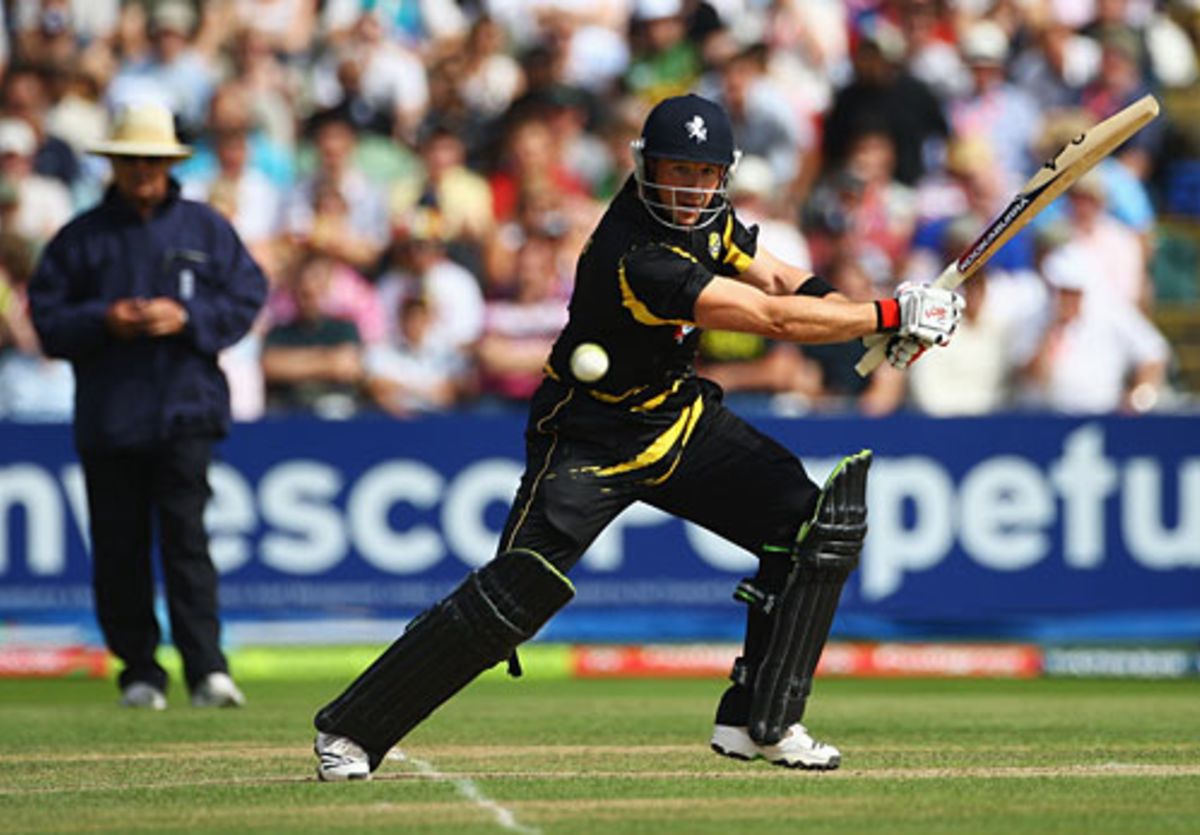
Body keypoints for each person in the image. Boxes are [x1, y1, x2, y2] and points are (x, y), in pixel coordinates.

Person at [310, 94, 963, 780]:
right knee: (513, 596)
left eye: (705, 174)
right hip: (588, 439)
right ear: (646, 167)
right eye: (677, 171)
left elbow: (778, 275)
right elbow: (770, 315)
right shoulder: (639, 255)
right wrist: (887, 314)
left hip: (677, 419)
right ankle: (351, 730)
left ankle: (759, 720)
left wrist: (878, 318)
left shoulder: (709, 215)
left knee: (810, 525)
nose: (690, 189)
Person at [27, 102, 268, 710]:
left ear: (169, 164)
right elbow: (48, 320)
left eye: (152, 161)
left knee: (187, 541)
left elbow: (247, 296)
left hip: (185, 410)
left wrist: (187, 317)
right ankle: (138, 669)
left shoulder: (205, 228)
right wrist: (104, 319)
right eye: (132, 160)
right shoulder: (81, 238)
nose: (142, 170)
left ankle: (207, 669)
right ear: (114, 164)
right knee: (119, 547)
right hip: (110, 416)